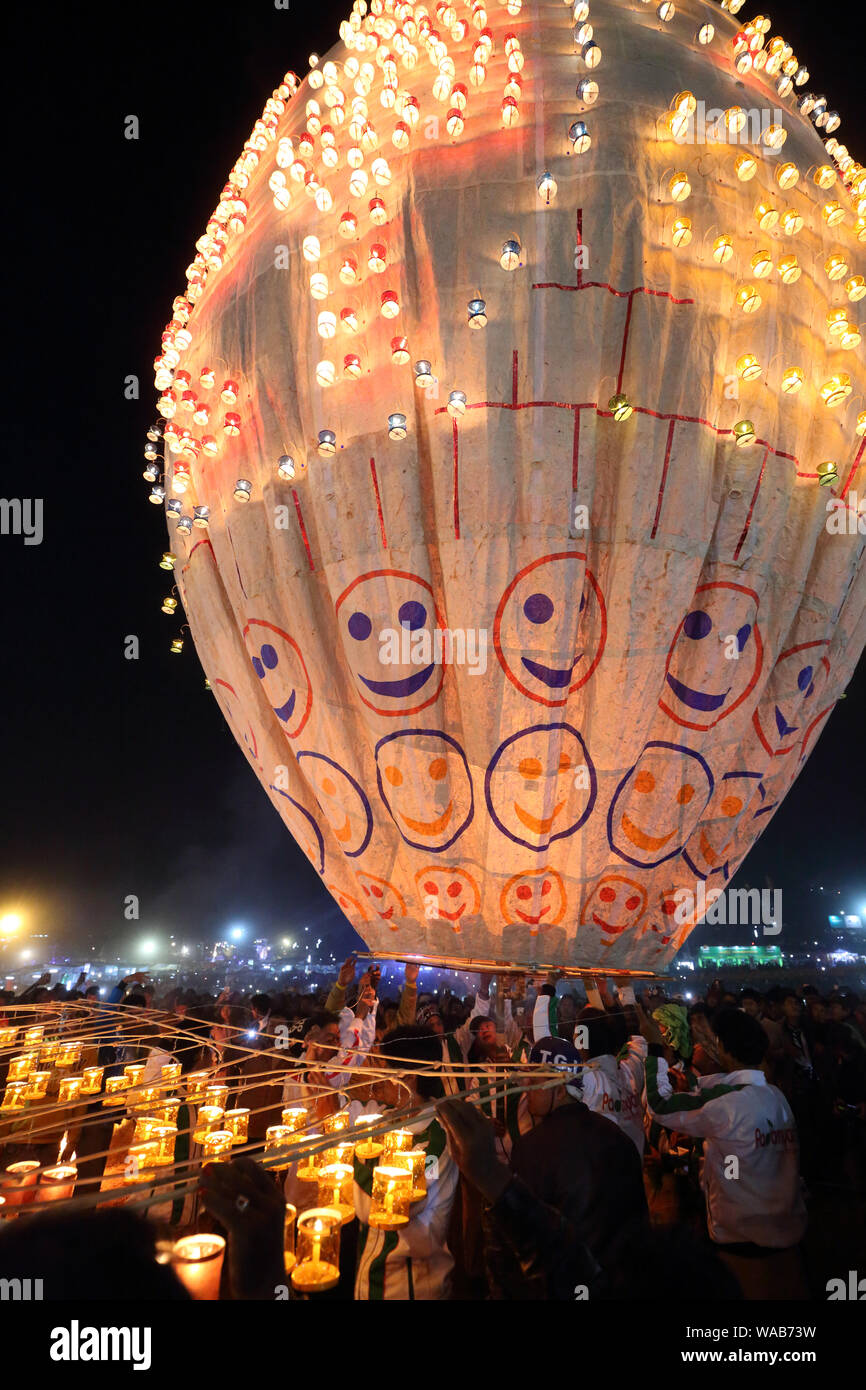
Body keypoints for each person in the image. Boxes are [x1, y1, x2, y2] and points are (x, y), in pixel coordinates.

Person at [643, 1007, 808, 1299]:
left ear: (724, 1049)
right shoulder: (774, 1095)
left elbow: (660, 1105)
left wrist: (654, 1050)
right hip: (788, 1243)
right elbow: (711, 1089)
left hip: (743, 1248)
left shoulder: (728, 1105)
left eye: (712, 1040)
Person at [353, 1026, 459, 1300]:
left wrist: (344, 1158)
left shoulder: (437, 1140)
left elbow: (388, 1204)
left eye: (386, 1070)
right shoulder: (381, 1120)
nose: (379, 1078)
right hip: (367, 1280)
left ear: (408, 1078)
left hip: (412, 1286)